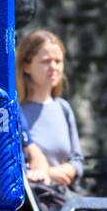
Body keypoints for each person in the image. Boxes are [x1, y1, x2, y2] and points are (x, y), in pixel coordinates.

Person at [17, 29, 84, 192]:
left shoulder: (63, 108)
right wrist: (46, 174)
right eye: (46, 61)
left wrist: (63, 171)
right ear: (26, 66)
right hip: (29, 200)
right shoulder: (14, 110)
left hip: (62, 199)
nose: (53, 67)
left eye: (58, 61)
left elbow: (77, 160)